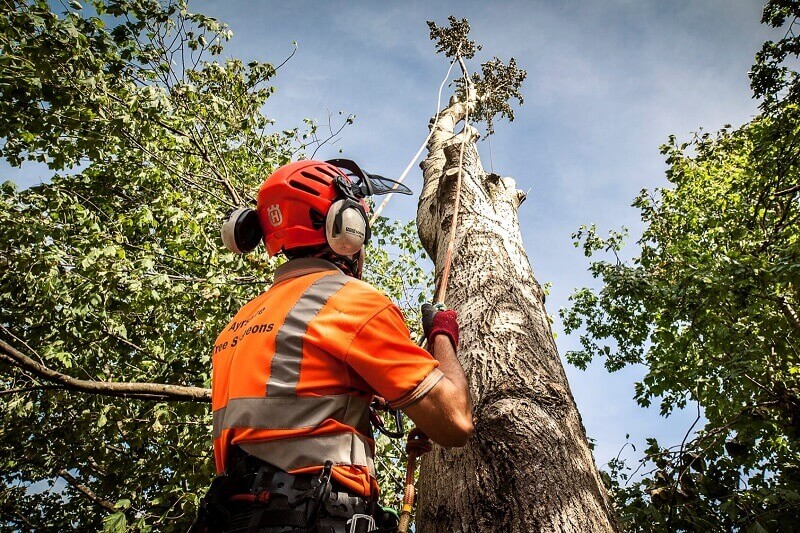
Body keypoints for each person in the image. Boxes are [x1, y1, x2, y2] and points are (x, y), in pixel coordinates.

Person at [192, 159, 473, 533]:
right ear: (347, 227)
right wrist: (442, 333)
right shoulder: (351, 301)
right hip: (309, 515)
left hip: (231, 516)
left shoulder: (237, 327)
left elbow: (289, 406)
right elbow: (455, 422)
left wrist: (369, 398)